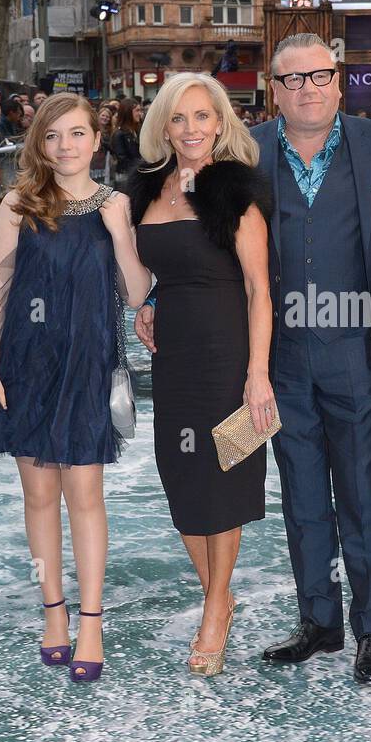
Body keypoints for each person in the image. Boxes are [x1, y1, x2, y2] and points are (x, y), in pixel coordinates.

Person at [135, 33, 371, 683]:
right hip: (275, 359)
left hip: (354, 352)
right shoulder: (244, 152)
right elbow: (190, 237)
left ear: (338, 80)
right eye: (291, 79)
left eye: (318, 76)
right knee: (302, 496)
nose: (306, 88)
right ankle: (319, 621)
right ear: (273, 89)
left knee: (362, 497)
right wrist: (149, 296)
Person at [0, 94, 150, 684]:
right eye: (52, 137)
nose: (65, 146)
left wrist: (120, 234)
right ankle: (54, 613)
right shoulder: (18, 204)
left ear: (96, 141)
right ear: (38, 144)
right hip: (28, 363)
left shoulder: (118, 204)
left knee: (85, 496)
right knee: (39, 497)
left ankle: (93, 622)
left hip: (88, 367)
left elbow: (134, 294)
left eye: (76, 134)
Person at [128, 74, 273, 677]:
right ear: (164, 127)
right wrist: (148, 302)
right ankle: (221, 594)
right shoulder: (146, 191)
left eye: (202, 117)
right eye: (179, 118)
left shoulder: (236, 191)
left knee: (226, 480)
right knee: (180, 476)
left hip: (228, 353)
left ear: (221, 124)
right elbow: (160, 267)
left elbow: (260, 288)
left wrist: (258, 374)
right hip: (174, 357)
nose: (191, 129)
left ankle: (215, 607)